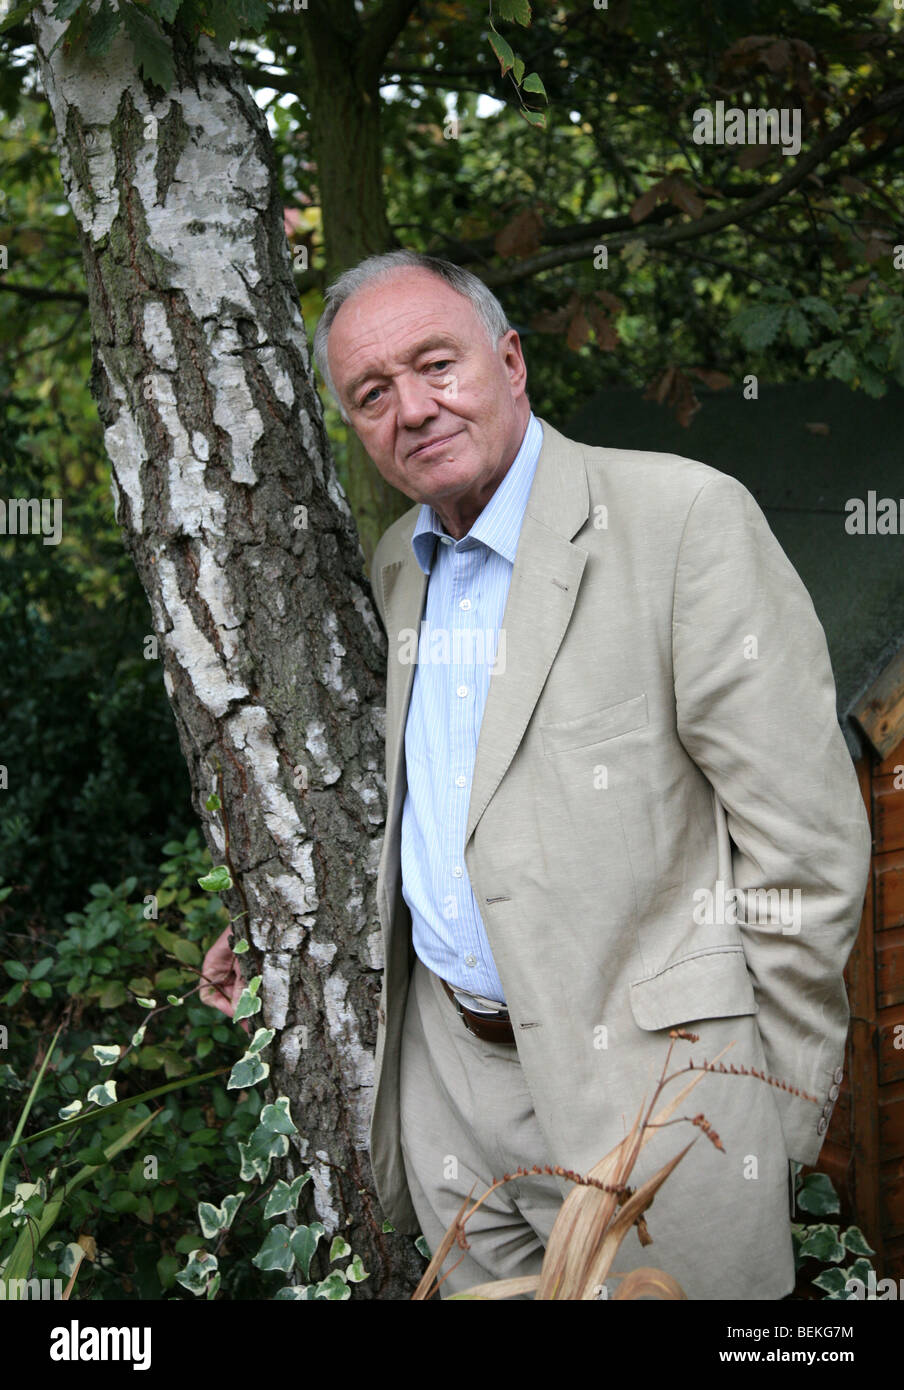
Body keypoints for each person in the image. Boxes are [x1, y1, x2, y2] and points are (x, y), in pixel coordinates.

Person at [204, 249, 872, 1299]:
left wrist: (765, 1106)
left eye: (438, 365)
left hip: (655, 1103)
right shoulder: (397, 565)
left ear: (510, 362)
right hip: (452, 1091)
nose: (413, 409)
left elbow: (808, 845)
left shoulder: (679, 520)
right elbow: (446, 795)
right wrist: (278, 917)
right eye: (371, 394)